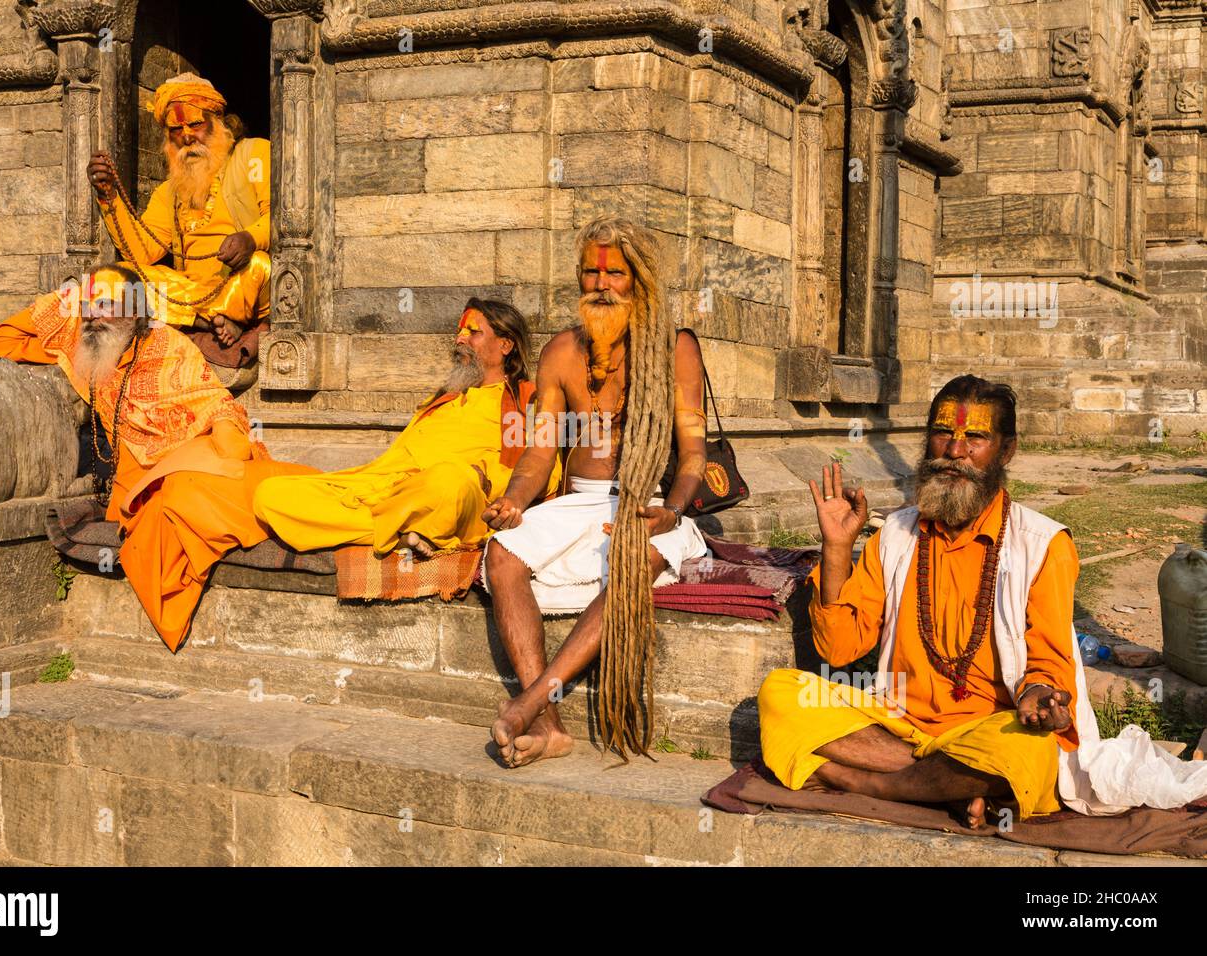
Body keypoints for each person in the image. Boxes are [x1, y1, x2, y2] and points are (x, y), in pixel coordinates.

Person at [756, 376, 1083, 827]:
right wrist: (835, 549)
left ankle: (868, 783)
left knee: (1028, 748)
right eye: (943, 433)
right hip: (897, 723)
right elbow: (838, 650)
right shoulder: (896, 533)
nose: (954, 451)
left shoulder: (1043, 544)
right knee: (782, 693)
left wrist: (1040, 696)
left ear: (1006, 451)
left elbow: (1050, 662)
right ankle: (945, 783)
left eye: (976, 437)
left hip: (990, 726)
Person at [0, 265, 314, 652]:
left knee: (228, 491)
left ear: (134, 312)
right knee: (171, 505)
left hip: (196, 462)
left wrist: (228, 445)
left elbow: (216, 407)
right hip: (140, 490)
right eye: (88, 306)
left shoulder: (169, 346)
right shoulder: (82, 344)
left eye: (106, 304)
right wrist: (65, 299)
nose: (94, 314)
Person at [481, 217, 710, 768]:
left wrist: (671, 511)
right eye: (590, 271)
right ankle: (552, 728)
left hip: (650, 499)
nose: (601, 284)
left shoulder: (674, 349)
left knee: (634, 560)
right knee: (502, 555)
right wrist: (515, 499)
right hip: (580, 499)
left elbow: (695, 454)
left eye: (615, 273)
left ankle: (532, 701)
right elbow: (540, 452)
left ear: (640, 280)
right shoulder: (562, 351)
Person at [252, 299, 559, 556]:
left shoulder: (522, 402)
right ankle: (402, 532)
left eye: (472, 332)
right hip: (385, 491)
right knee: (270, 494)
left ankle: (398, 526)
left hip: (454, 495)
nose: (460, 339)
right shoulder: (444, 398)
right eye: (460, 331)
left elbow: (545, 469)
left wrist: (484, 474)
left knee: (447, 480)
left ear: (505, 345)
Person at [88, 73, 271, 352]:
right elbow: (141, 253)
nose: (187, 135)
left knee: (260, 264)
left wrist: (250, 239)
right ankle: (210, 320)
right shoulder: (170, 191)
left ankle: (225, 313)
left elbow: (283, 219)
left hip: (245, 283)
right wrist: (109, 194)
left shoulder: (254, 154)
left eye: (196, 123)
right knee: (114, 277)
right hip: (193, 296)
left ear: (218, 121)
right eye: (176, 129)